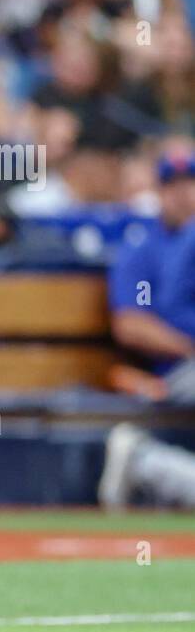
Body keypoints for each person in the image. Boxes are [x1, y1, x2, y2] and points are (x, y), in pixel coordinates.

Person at [100, 152, 195, 512]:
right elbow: (131, 325)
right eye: (173, 187)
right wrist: (188, 349)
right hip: (173, 372)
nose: (184, 195)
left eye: (191, 185)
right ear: (159, 191)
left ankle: (143, 462)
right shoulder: (144, 247)